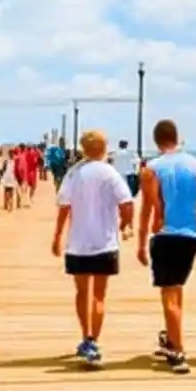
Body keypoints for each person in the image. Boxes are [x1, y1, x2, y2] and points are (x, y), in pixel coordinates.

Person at [52, 130, 135, 367]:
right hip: (105, 243)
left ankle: (84, 336)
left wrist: (57, 236)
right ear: (104, 148)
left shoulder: (74, 173)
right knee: (99, 295)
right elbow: (127, 202)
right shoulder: (110, 173)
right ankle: (93, 340)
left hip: (77, 244)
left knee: (82, 293)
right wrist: (125, 224)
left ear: (83, 149)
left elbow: (64, 208)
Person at [137, 119, 196, 374]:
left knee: (168, 293)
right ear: (176, 137)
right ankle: (171, 336)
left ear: (156, 140)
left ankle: (178, 351)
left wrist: (140, 241)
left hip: (166, 235)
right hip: (191, 235)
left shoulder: (152, 168)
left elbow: (148, 207)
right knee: (177, 289)